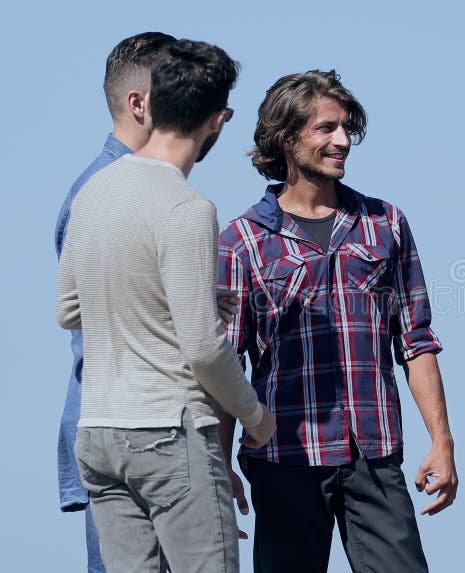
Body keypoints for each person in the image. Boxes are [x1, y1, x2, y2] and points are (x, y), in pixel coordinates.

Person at [217, 69, 458, 573]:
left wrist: (442, 441)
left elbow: (415, 342)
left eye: (346, 127)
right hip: (283, 457)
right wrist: (219, 467)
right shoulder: (241, 241)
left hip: (374, 453)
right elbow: (223, 363)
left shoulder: (385, 223)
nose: (343, 140)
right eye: (326, 128)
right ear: (286, 137)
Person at [55, 39, 276, 573]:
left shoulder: (92, 191)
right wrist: (255, 415)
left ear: (150, 103)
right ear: (217, 119)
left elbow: (68, 309)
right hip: (169, 434)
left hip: (99, 436)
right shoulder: (188, 207)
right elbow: (203, 348)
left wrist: (170, 299)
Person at [54, 31, 176, 573]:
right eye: (180, 90)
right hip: (132, 439)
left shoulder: (146, 187)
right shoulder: (105, 193)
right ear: (139, 104)